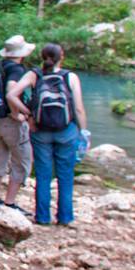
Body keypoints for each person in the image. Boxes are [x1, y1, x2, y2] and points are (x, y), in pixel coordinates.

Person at [8, 43, 90, 227]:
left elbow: (11, 95)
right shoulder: (70, 77)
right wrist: (84, 132)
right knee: (65, 175)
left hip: (40, 131)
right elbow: (78, 108)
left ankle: (42, 217)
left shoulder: (34, 75)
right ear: (62, 56)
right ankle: (65, 218)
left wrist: (27, 114)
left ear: (42, 56)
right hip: (66, 131)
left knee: (43, 175)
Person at [0, 35, 34, 213]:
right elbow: (10, 92)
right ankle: (10, 203)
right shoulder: (16, 69)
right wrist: (19, 113)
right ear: (21, 53)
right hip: (10, 121)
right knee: (22, 160)